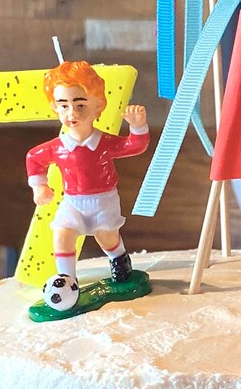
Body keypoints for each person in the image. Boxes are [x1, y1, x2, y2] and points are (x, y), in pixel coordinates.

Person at [26, 60, 149, 312]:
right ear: (54, 108)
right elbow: (34, 159)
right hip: (72, 201)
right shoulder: (57, 147)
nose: (72, 113)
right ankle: (67, 282)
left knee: (107, 237)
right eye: (64, 105)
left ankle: (119, 259)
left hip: (103, 200)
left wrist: (137, 126)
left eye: (80, 105)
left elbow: (134, 146)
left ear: (98, 107)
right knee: (62, 234)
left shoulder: (103, 143)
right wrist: (40, 186)